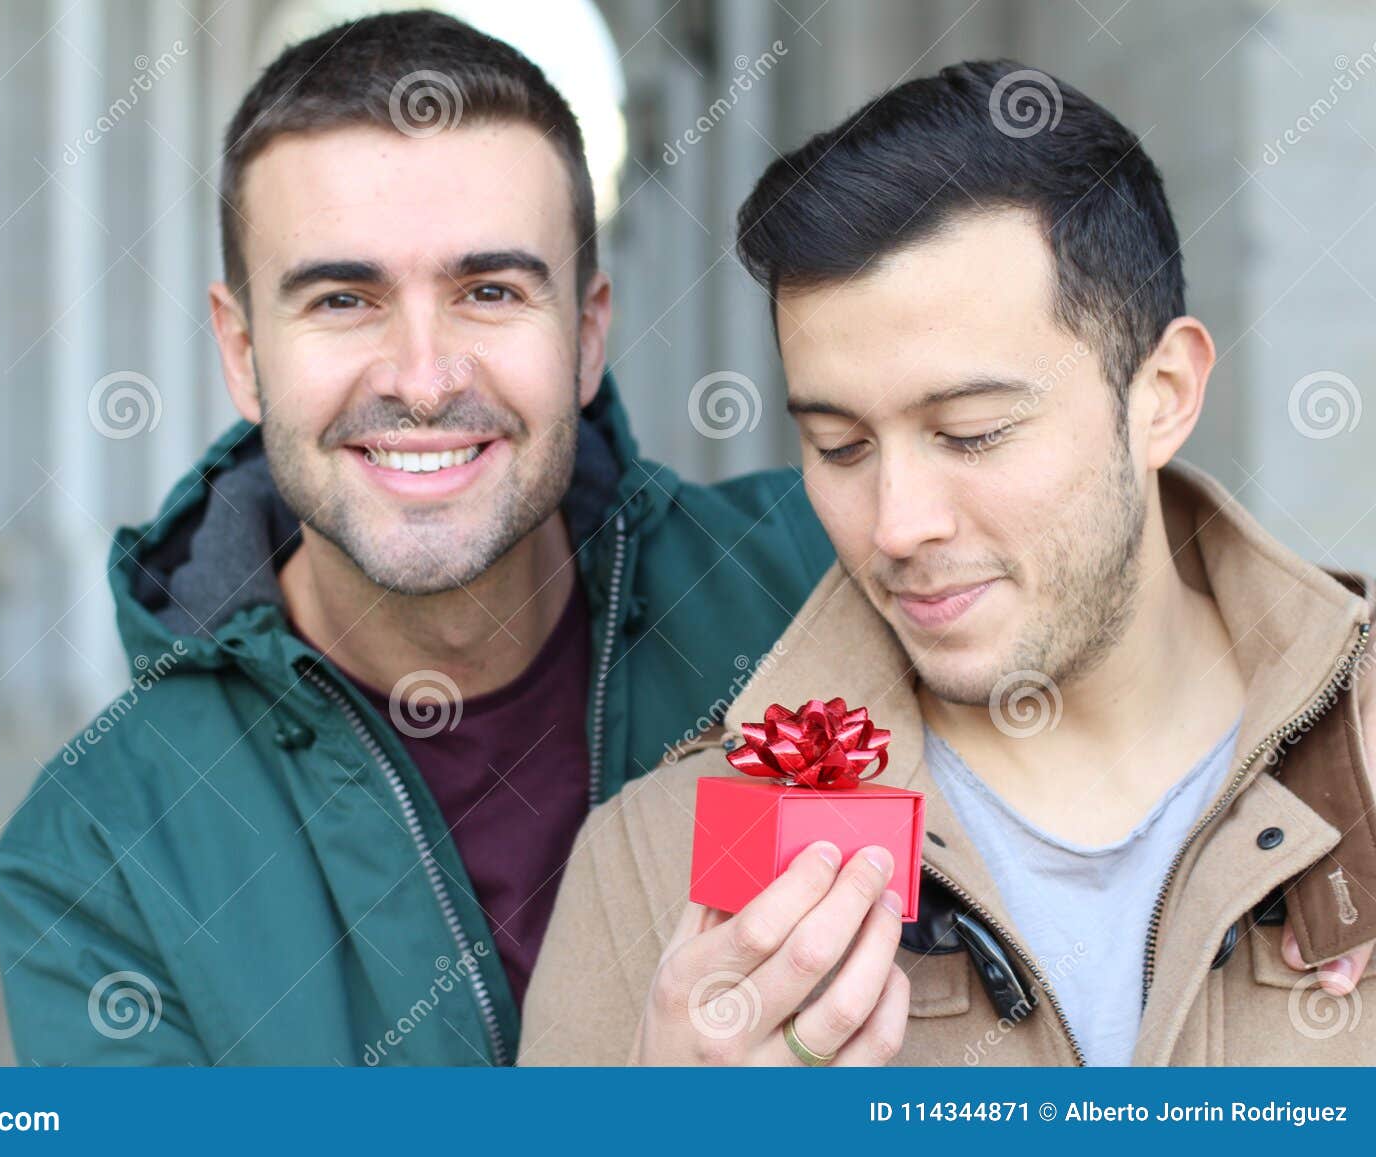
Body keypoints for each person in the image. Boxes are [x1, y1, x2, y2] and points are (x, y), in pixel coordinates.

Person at [0, 11, 833, 1066]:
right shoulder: (98, 857)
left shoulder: (818, 579)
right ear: (244, 353)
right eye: (344, 298)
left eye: (489, 291)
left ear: (584, 333)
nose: (423, 379)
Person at [520, 60, 1376, 1067]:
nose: (897, 524)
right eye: (839, 445)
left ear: (1163, 392)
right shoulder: (661, 864)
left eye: (970, 432)